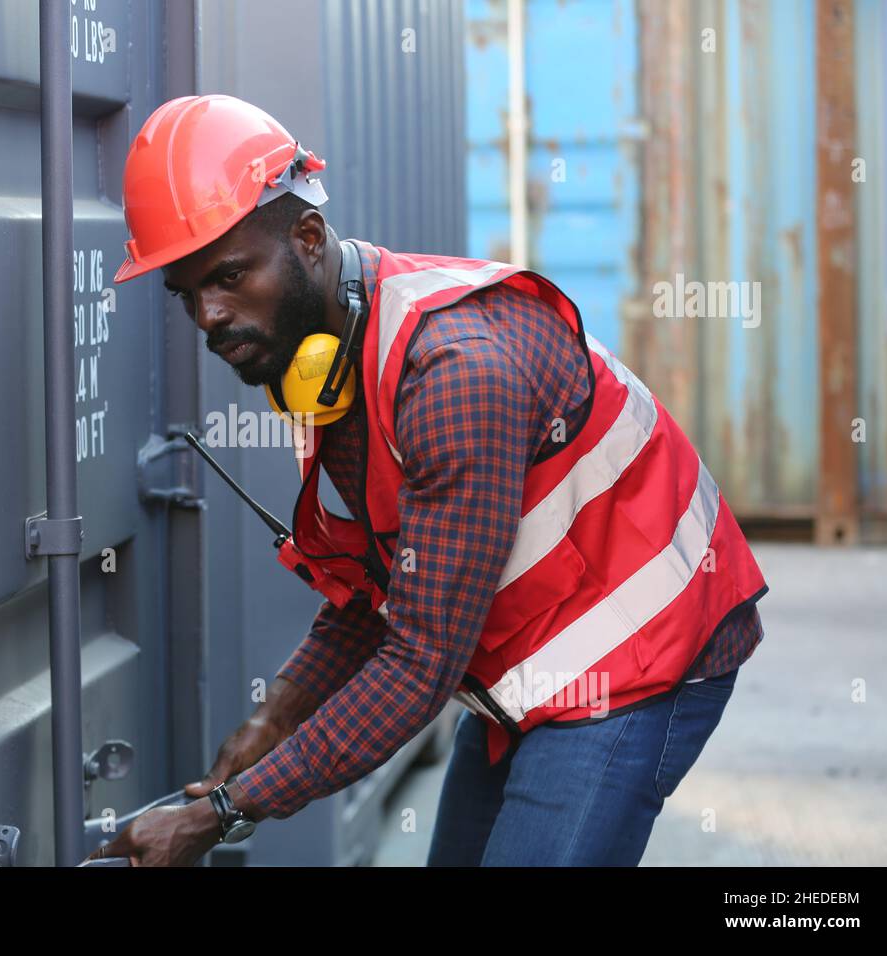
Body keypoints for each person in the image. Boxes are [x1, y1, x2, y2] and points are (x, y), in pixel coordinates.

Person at [85, 94, 767, 867]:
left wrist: (224, 814)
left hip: (641, 650)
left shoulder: (451, 374)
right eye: (187, 294)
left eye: (230, 276)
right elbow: (390, 580)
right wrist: (278, 716)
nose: (209, 315)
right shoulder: (331, 358)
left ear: (308, 238)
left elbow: (417, 664)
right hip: (527, 655)